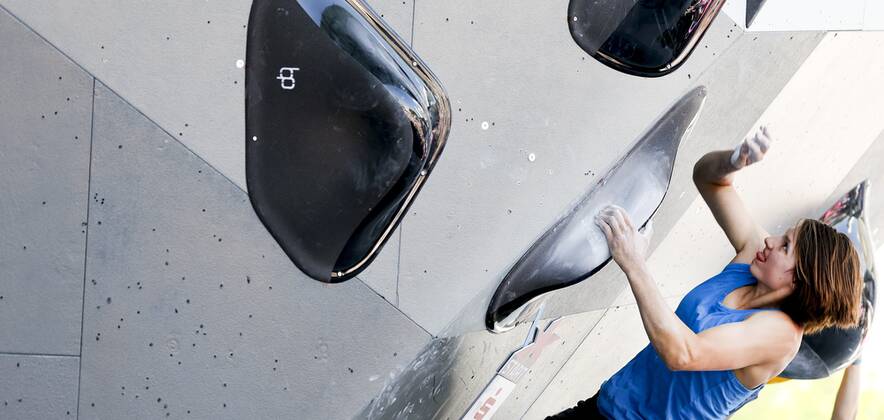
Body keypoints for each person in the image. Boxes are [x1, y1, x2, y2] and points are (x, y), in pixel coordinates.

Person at [547, 126, 865, 419]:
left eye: (785, 246)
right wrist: (732, 162)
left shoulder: (780, 336)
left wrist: (633, 261)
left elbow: (683, 354)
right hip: (607, 404)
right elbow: (708, 179)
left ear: (799, 280)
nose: (770, 239)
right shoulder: (754, 259)